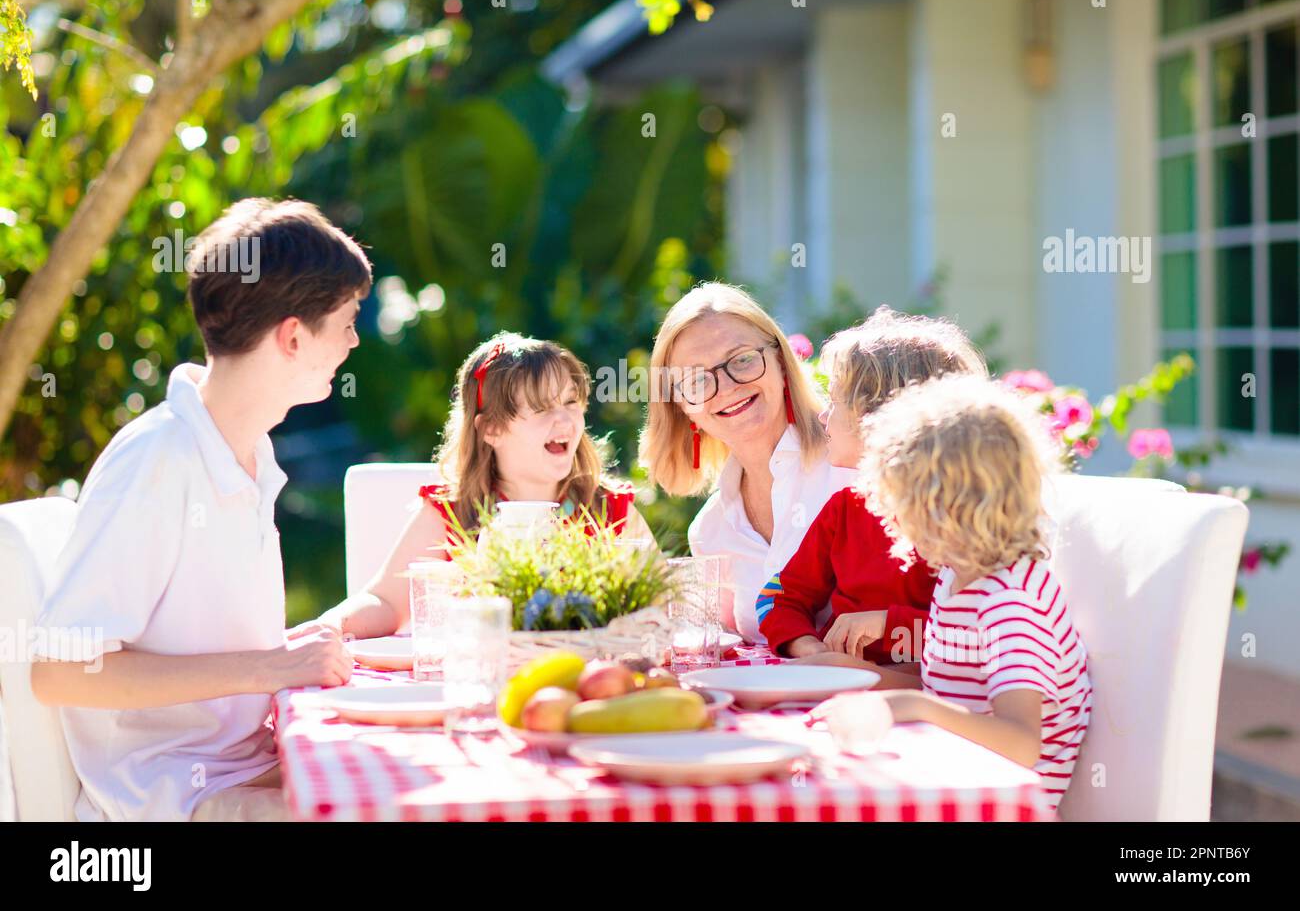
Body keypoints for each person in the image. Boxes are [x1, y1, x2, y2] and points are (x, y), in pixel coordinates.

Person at [31, 198, 372, 821]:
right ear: (293, 336)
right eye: (347, 321)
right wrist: (268, 665)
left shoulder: (242, 450)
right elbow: (59, 670)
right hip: (174, 799)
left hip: (249, 761)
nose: (354, 340)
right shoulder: (160, 459)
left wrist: (283, 649)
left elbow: (201, 644)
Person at [813, 375, 1092, 809]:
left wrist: (917, 706)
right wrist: (851, 674)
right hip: (950, 782)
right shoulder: (958, 578)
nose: (892, 519)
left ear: (950, 510)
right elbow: (955, 690)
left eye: (902, 502)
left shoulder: (1009, 603)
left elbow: (1020, 742)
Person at [322, 332, 654, 640]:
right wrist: (330, 626)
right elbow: (386, 603)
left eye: (571, 402)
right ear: (491, 429)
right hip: (484, 682)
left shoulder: (610, 511)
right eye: (541, 408)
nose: (566, 420)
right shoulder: (453, 514)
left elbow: (663, 602)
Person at [759, 307, 987, 663]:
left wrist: (889, 624)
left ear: (882, 418)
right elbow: (778, 597)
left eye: (834, 402)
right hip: (846, 694)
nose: (823, 416)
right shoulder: (846, 507)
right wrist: (809, 649)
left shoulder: (971, 519)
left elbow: (982, 639)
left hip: (933, 703)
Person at [639, 283, 854, 643]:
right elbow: (728, 651)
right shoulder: (709, 532)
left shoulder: (853, 469)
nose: (725, 387)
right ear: (682, 408)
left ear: (782, 364)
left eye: (741, 360)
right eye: (696, 380)